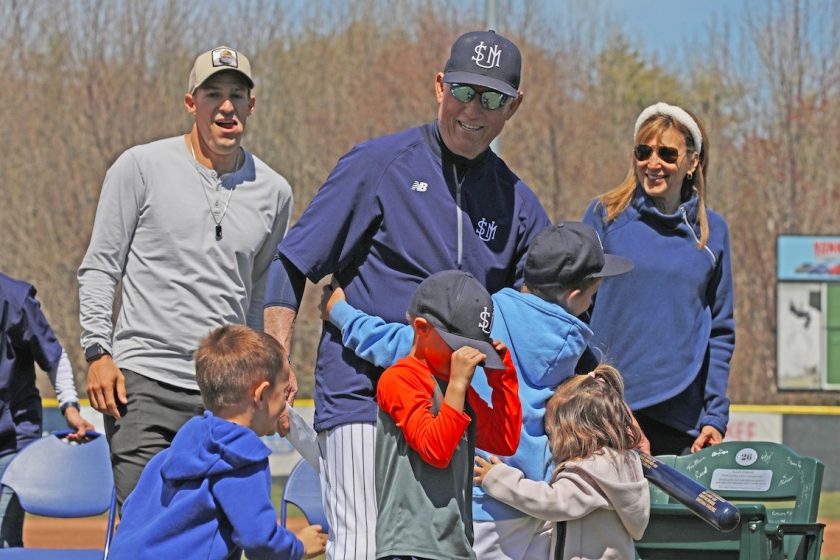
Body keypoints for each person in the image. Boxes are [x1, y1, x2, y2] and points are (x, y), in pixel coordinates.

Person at [264, 30, 550, 559]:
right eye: (464, 90)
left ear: (514, 106)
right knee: (362, 547)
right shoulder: (378, 164)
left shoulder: (518, 203)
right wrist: (277, 354)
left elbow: (551, 310)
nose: (474, 109)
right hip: (362, 392)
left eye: (492, 98)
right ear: (440, 86)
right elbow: (294, 260)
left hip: (449, 409)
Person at [319, 222, 635, 559]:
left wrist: (340, 313)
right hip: (532, 497)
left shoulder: (479, 318)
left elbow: (397, 343)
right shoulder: (569, 347)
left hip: (477, 495)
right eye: (590, 295)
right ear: (573, 297)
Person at [78, 45, 293, 506]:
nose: (226, 106)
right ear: (191, 103)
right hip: (143, 383)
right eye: (213, 94)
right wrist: (98, 352)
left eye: (237, 94)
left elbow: (258, 295)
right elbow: (100, 266)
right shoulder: (140, 167)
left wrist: (264, 377)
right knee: (148, 527)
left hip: (225, 394)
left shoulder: (275, 192)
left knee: (222, 530)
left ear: (252, 105)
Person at [582, 102, 735, 455]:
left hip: (679, 420)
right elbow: (575, 310)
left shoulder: (712, 232)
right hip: (605, 408)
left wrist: (714, 416)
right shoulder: (605, 215)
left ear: (692, 162)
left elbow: (721, 333)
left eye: (667, 153)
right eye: (644, 151)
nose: (653, 163)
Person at [107, 324, 326, 560]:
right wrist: (299, 546)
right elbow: (260, 542)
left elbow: (130, 513)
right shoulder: (241, 455)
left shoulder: (174, 450)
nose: (286, 403)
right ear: (261, 394)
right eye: (284, 392)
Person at [374, 270, 521, 559]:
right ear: (422, 328)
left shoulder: (458, 388)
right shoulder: (400, 378)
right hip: (409, 546)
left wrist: (502, 378)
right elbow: (435, 450)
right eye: (458, 346)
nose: (467, 356)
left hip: (455, 546)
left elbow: (504, 440)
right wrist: (457, 385)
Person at [474, 364, 650, 560]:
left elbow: (552, 502)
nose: (549, 442)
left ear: (576, 432)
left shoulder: (593, 469)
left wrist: (498, 478)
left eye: (551, 433)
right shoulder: (623, 460)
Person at [0, 272, 94, 547]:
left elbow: (54, 356)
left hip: (12, 438)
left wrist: (70, 408)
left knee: (3, 538)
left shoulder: (14, 299)